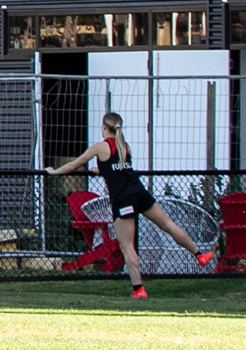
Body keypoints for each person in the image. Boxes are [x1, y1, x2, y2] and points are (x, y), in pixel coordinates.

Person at [47, 111, 215, 298]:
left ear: (104, 127)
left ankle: (138, 290)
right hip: (139, 193)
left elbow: (74, 165)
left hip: (123, 200)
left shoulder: (100, 147)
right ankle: (199, 254)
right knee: (168, 224)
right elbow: (118, 171)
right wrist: (101, 170)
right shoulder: (125, 147)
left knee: (127, 246)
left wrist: (53, 172)